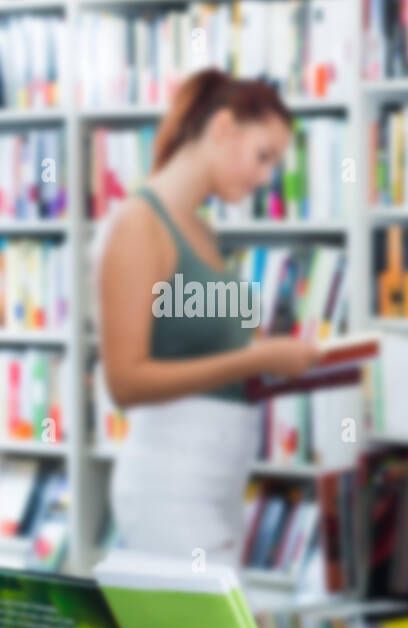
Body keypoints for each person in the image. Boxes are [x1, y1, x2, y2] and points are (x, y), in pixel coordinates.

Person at [94, 69, 320, 567]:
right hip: (169, 484)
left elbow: (219, 357)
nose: (265, 178)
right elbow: (125, 381)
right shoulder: (137, 225)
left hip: (220, 480)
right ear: (224, 128)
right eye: (264, 157)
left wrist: (281, 364)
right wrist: (252, 358)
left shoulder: (201, 230)